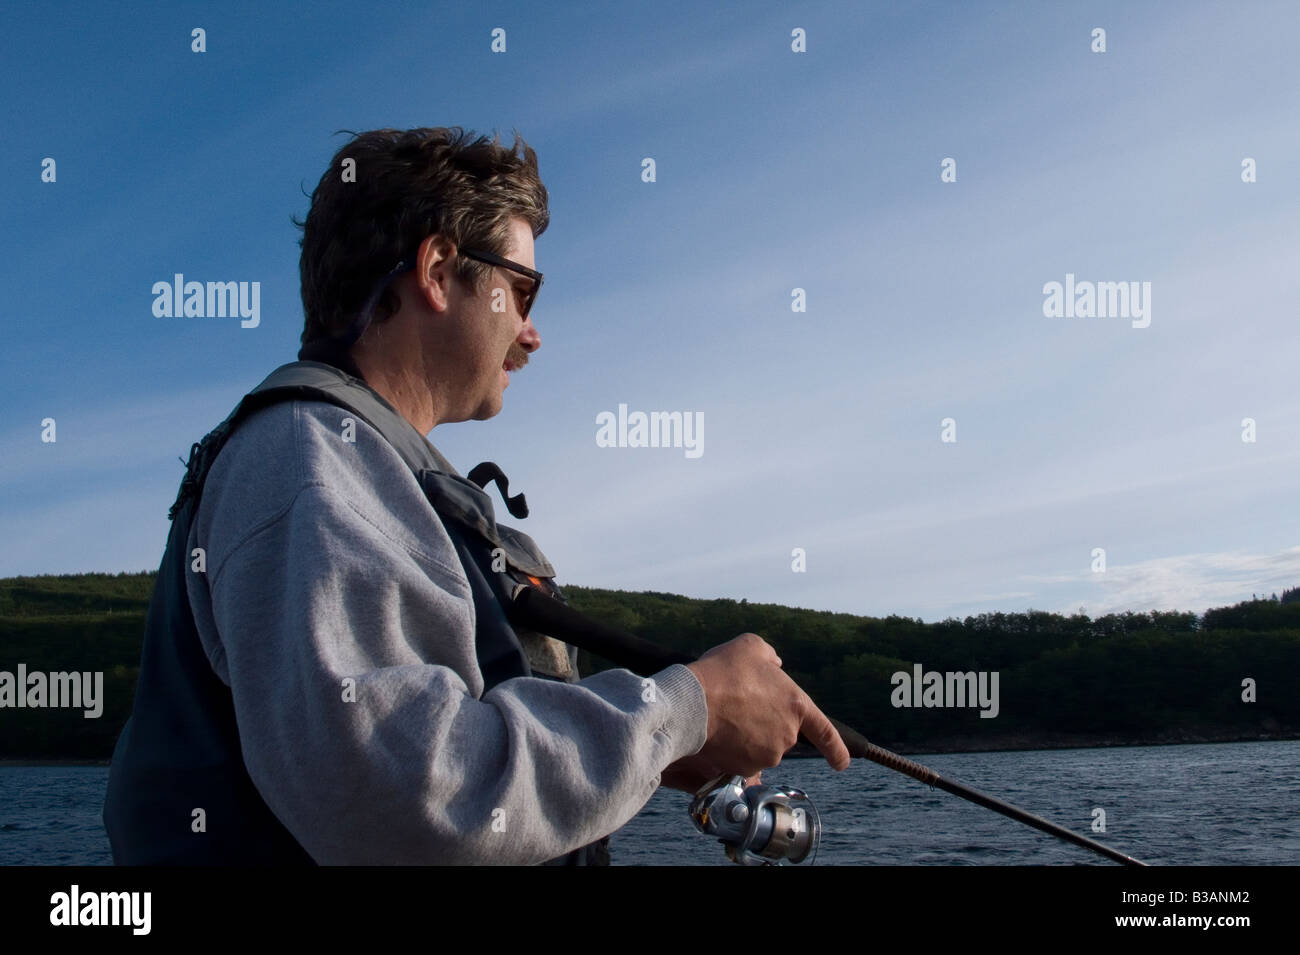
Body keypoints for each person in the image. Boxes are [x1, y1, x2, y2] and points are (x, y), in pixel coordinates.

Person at [103, 126, 849, 865]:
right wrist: (688, 709)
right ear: (437, 270)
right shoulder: (305, 461)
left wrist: (652, 751)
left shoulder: (359, 469)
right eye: (522, 291)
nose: (532, 335)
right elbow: (406, 803)